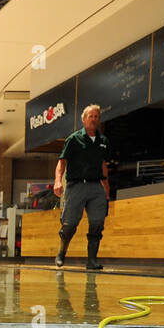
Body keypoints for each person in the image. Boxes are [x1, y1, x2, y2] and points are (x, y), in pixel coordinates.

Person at [53, 104, 110, 270]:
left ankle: (91, 261)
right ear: (84, 119)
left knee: (98, 223)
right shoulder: (74, 139)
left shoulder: (104, 141)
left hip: (96, 187)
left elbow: (103, 165)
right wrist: (58, 181)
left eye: (96, 117)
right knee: (69, 225)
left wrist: (106, 189)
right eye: (90, 116)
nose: (94, 119)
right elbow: (62, 162)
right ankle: (61, 253)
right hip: (76, 186)